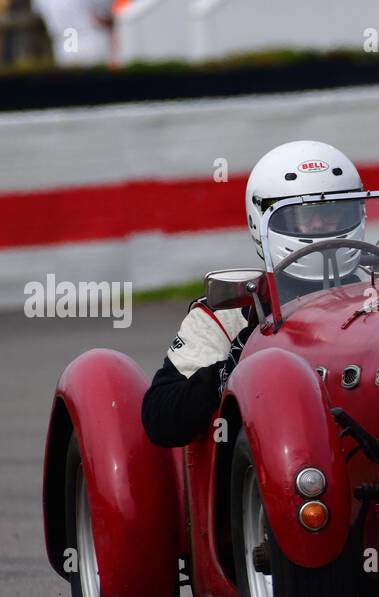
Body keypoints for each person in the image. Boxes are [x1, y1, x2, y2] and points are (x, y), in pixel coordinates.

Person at [141, 140, 365, 448]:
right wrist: (231, 369)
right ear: (260, 221)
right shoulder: (227, 314)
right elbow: (161, 421)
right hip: (270, 458)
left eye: (332, 213)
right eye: (303, 215)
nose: (319, 226)